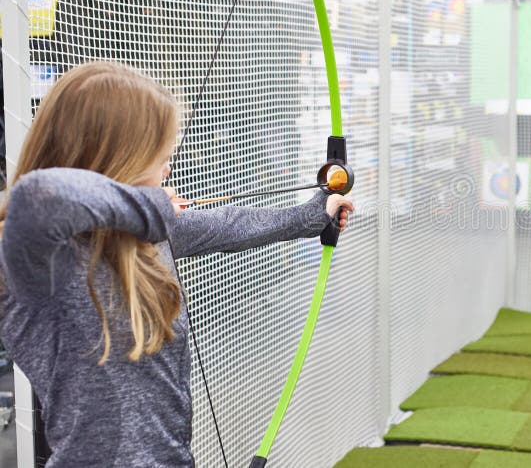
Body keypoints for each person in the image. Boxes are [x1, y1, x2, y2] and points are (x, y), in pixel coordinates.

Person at [0, 61, 354, 467]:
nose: (168, 166)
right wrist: (150, 208)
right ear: (118, 154)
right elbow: (36, 195)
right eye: (159, 154)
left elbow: (227, 225)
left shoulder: (142, 237)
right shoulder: (37, 260)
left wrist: (314, 213)